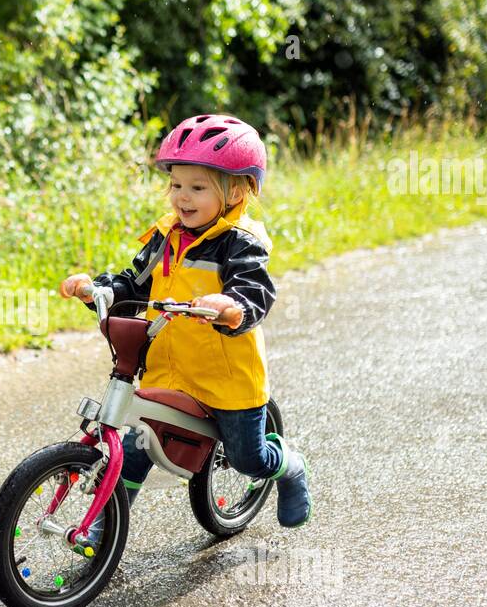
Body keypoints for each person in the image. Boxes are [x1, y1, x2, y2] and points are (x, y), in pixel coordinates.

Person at [58, 114, 311, 535]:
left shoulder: (240, 241)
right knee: (137, 445)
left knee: (248, 458)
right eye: (176, 185)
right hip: (169, 372)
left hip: (227, 377)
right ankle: (105, 529)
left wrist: (232, 306)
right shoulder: (165, 236)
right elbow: (132, 284)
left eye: (197, 187)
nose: (182, 198)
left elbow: (255, 290)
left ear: (236, 191)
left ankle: (289, 465)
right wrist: (97, 290)